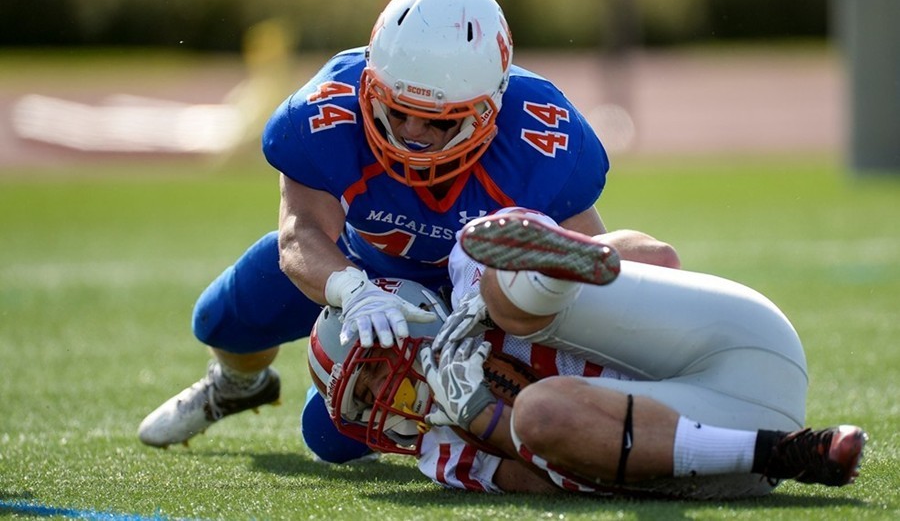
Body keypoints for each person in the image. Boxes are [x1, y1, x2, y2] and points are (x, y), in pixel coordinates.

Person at [137, 0, 679, 463]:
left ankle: (449, 417)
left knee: (329, 436)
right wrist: (352, 290)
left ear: (487, 108)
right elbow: (300, 234)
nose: (410, 134)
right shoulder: (328, 109)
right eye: (396, 111)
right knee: (220, 320)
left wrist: (510, 323)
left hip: (473, 298)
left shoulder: (541, 137)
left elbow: (585, 259)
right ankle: (238, 385)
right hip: (356, 262)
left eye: (436, 121)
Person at [309, 210, 867, 498]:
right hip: (726, 454)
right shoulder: (441, 452)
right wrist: (485, 418)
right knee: (540, 416)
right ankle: (790, 452)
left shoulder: (466, 274)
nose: (382, 398)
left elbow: (660, 258)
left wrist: (488, 303)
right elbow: (553, 483)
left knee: (491, 271)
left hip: (740, 339)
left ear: (411, 312)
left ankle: (535, 278)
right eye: (364, 401)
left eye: (373, 371)